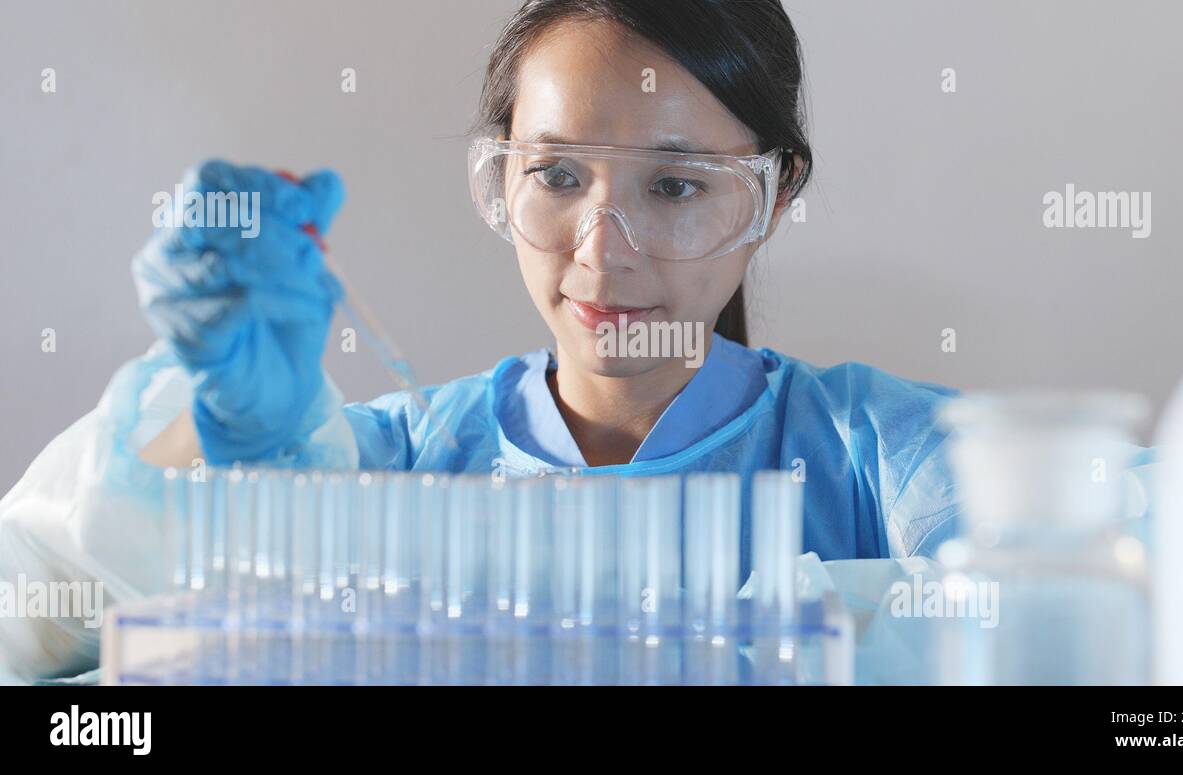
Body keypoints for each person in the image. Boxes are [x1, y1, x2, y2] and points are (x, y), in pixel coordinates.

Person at [0, 0, 960, 683]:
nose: (600, 253)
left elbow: (1076, 623)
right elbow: (36, 621)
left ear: (773, 195)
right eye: (556, 176)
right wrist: (222, 438)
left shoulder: (886, 459)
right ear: (502, 183)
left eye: (673, 186)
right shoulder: (385, 467)